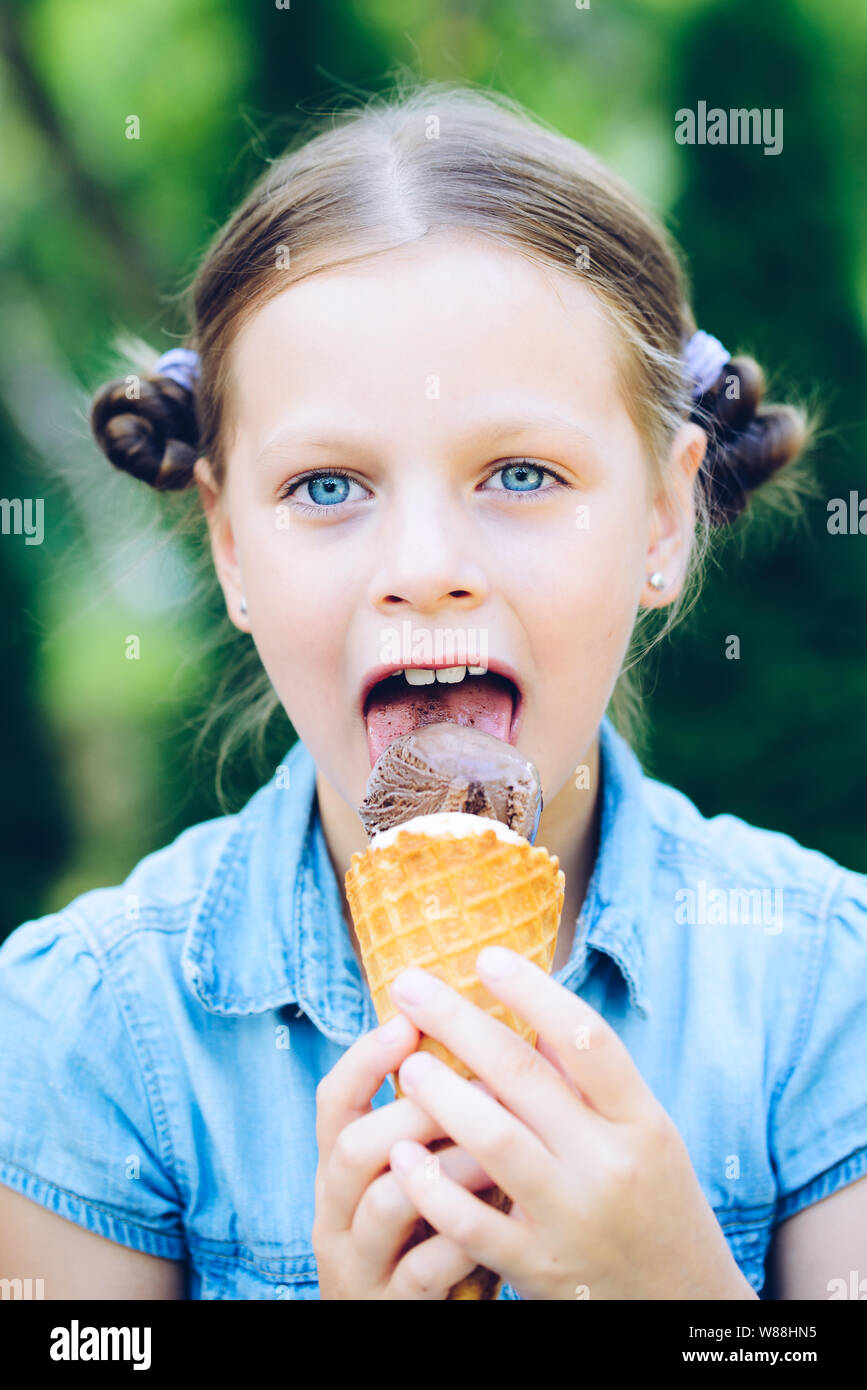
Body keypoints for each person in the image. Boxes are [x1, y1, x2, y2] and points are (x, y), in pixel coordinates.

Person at [0, 81, 864, 1301]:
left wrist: (682, 1299)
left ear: (664, 516)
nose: (423, 570)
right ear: (232, 546)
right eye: (327, 486)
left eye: (519, 472)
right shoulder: (90, 1032)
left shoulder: (826, 992)